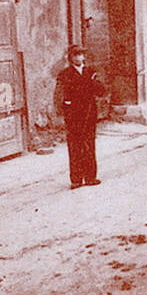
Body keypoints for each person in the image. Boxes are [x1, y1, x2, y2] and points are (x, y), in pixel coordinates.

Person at [54, 46, 106, 188]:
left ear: (84, 57)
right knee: (75, 145)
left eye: (80, 55)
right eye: (75, 55)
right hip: (73, 115)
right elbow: (59, 94)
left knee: (89, 144)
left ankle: (90, 177)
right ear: (70, 58)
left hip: (89, 113)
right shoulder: (64, 74)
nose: (78, 58)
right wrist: (61, 112)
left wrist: (94, 81)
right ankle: (76, 180)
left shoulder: (91, 72)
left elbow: (101, 92)